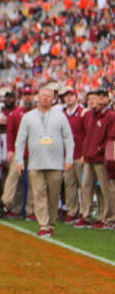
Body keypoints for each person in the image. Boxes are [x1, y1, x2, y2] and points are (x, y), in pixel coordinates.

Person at [13, 83, 74, 237]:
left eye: (49, 97)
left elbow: (69, 139)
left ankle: (51, 223)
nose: (46, 99)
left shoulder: (61, 116)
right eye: (43, 96)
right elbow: (20, 140)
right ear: (38, 98)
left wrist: (69, 159)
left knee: (53, 196)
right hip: (35, 163)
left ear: (53, 99)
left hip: (56, 163)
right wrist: (19, 160)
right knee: (39, 194)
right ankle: (43, 225)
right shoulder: (28, 117)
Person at [75, 88, 115, 228]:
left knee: (106, 189)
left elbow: (111, 138)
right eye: (97, 96)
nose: (98, 99)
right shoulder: (92, 115)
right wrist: (87, 152)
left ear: (107, 99)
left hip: (101, 159)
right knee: (86, 187)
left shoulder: (110, 116)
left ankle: (108, 219)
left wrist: (99, 150)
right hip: (89, 158)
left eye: (102, 96)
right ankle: (86, 215)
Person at [0, 87, 33, 219]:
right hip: (19, 150)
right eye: (26, 94)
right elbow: (10, 133)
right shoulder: (16, 113)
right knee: (14, 178)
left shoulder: (37, 112)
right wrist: (10, 150)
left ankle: (30, 210)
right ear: (22, 97)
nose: (28, 97)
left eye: (30, 94)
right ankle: (8, 203)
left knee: (32, 182)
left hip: (34, 151)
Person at [59, 85, 86, 222]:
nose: (68, 98)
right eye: (66, 96)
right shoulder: (63, 114)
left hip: (79, 154)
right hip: (67, 156)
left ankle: (84, 211)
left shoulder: (82, 112)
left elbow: (87, 134)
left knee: (83, 186)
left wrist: (84, 154)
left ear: (76, 97)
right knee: (69, 185)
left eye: (70, 95)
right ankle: (72, 211)